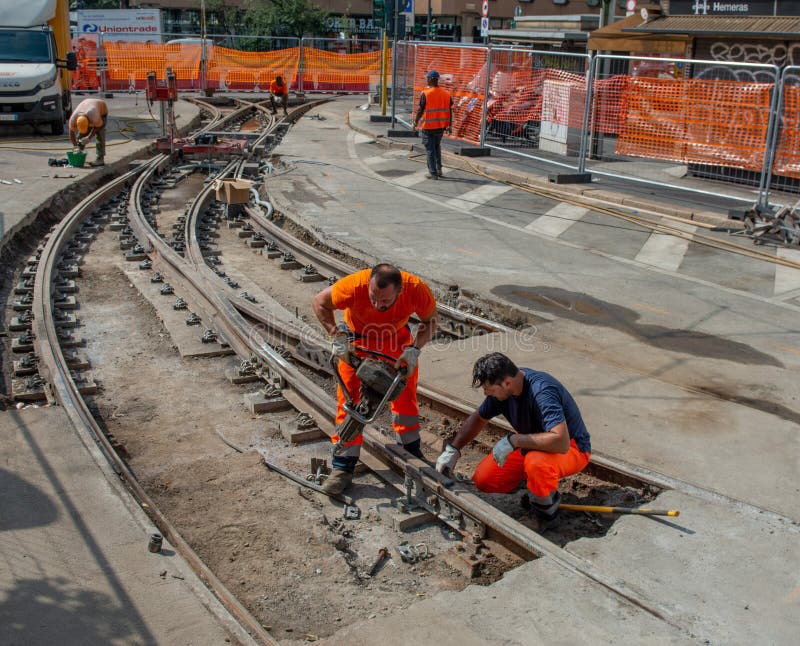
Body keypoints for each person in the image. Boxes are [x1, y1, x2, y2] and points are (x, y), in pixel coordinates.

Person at [312, 264, 438, 494]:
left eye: (385, 301)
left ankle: (410, 450)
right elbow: (320, 301)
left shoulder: (416, 289)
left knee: (405, 397)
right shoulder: (353, 286)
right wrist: (335, 335)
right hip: (358, 343)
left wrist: (415, 349)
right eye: (373, 298)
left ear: (400, 291)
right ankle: (342, 466)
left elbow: (430, 321)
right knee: (349, 401)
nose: (378, 305)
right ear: (368, 285)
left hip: (396, 342)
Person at [436, 353, 591, 526]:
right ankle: (535, 486)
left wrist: (514, 441)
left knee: (536, 463)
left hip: (572, 448)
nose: (487, 394)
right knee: (484, 479)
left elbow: (561, 442)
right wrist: (453, 449)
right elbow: (479, 418)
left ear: (507, 383)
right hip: (532, 445)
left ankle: (544, 513)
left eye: (490, 390)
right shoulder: (503, 392)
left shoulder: (542, 391)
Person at [413, 69, 452, 180]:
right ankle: (439, 169)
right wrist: (450, 125)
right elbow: (450, 110)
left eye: (427, 78)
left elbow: (420, 110)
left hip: (428, 127)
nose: (426, 80)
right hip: (440, 126)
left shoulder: (426, 93)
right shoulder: (446, 94)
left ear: (430, 79)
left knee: (430, 149)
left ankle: (433, 172)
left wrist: (415, 122)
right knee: (436, 147)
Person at [69, 97, 109, 167]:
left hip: (102, 110)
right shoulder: (73, 119)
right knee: (81, 136)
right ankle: (78, 153)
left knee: (100, 136)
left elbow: (99, 126)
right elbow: (71, 133)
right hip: (88, 106)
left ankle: (100, 159)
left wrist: (89, 137)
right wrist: (75, 146)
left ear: (88, 122)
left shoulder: (94, 116)